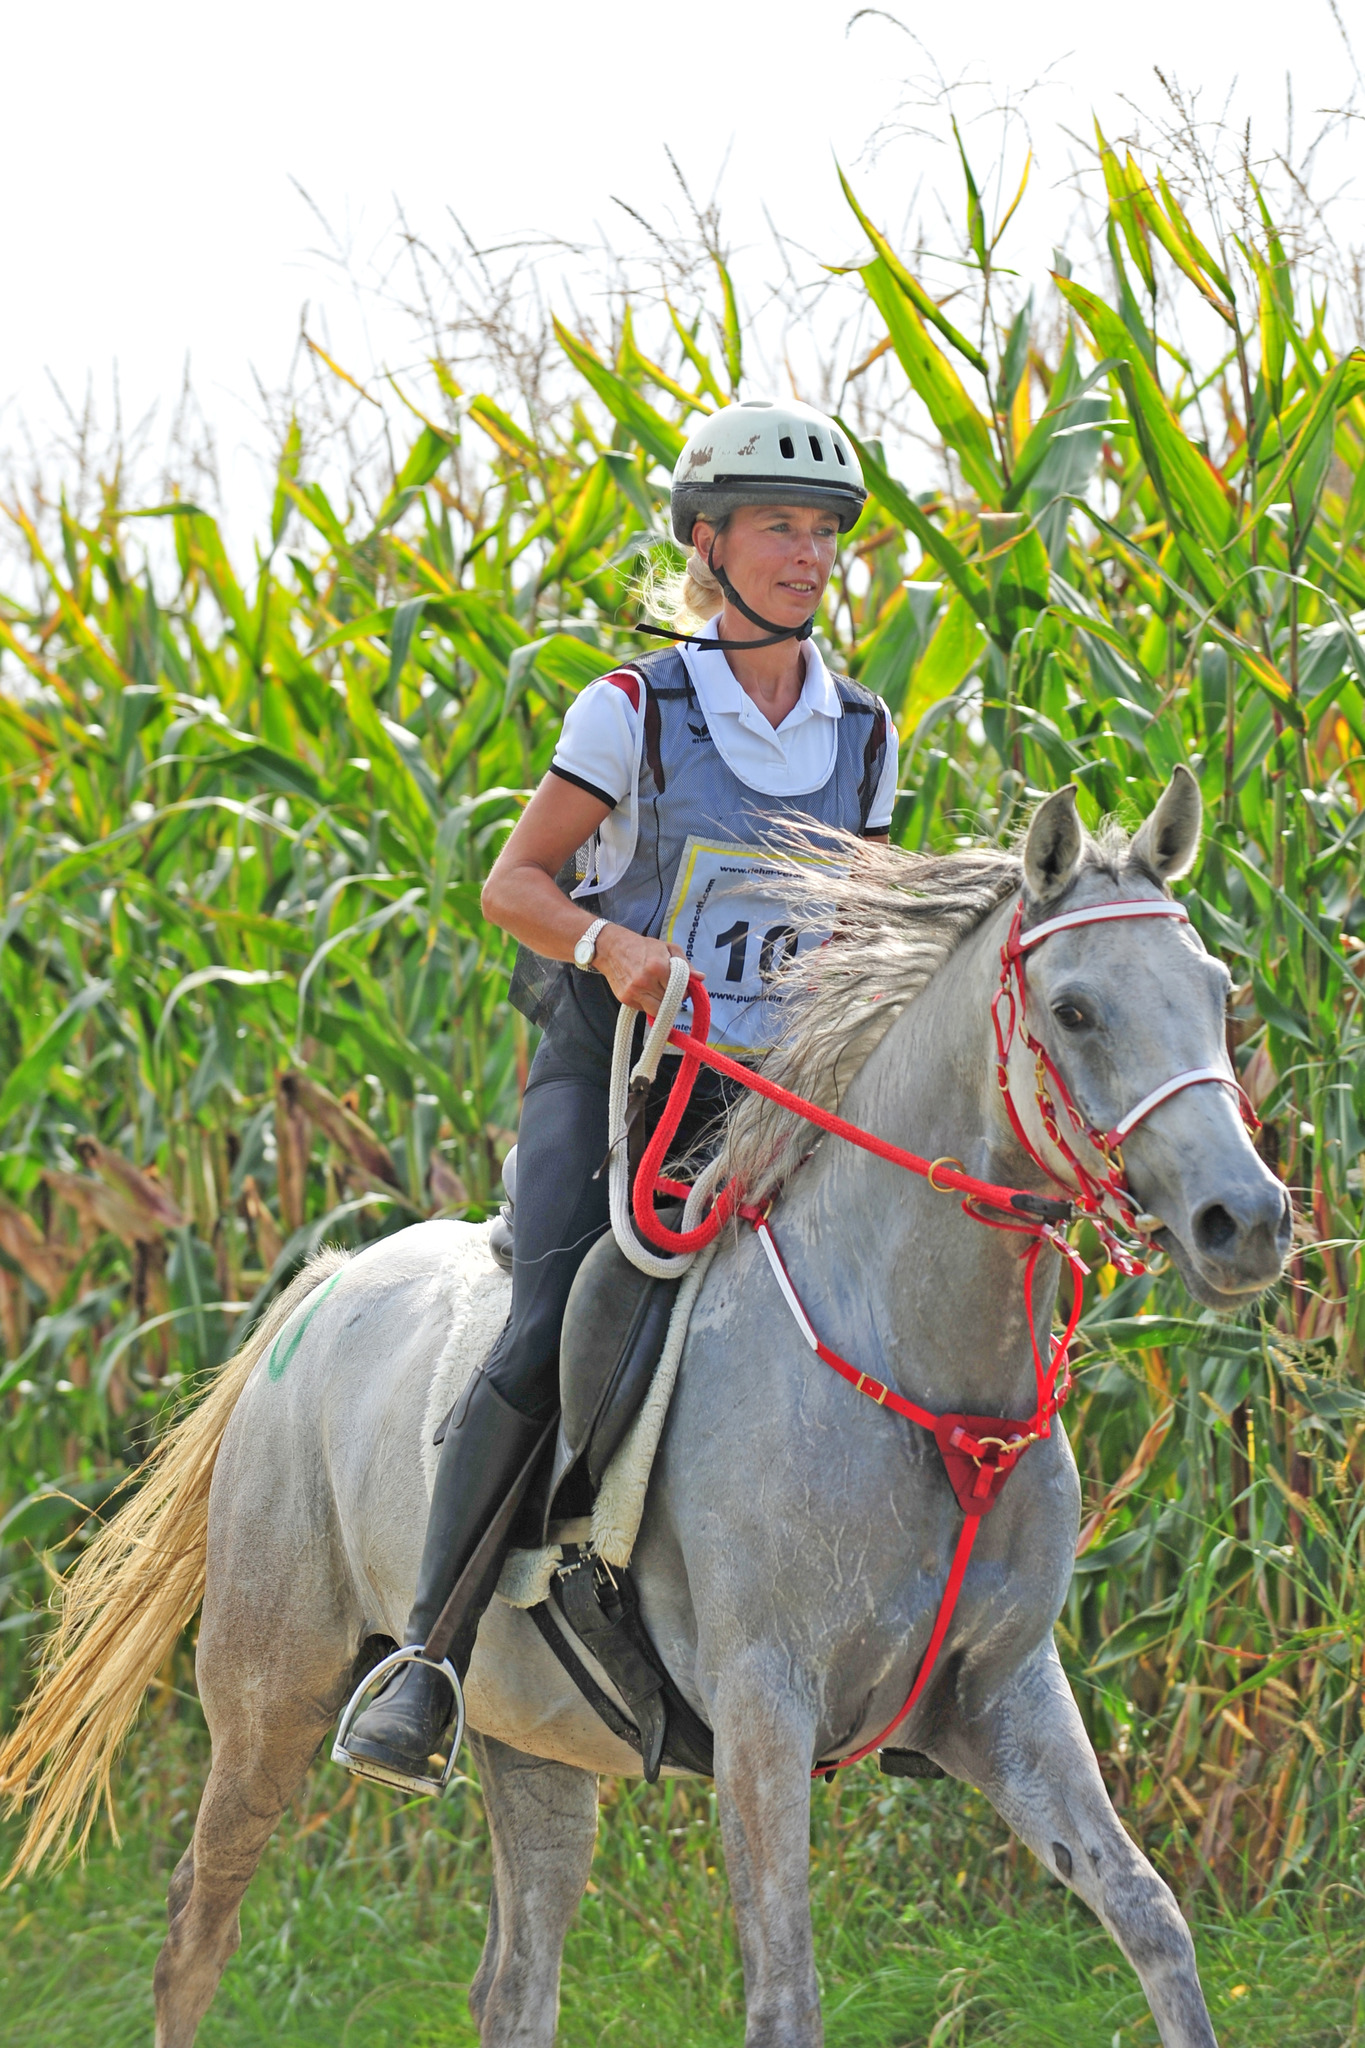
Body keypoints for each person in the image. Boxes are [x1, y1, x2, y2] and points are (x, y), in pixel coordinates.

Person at [344, 397, 899, 1778]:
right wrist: (617, 949)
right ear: (708, 544)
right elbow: (513, 885)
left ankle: (913, 1660)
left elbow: (867, 922)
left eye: (823, 531)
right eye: (779, 527)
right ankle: (426, 1659)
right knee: (551, 1320)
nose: (809, 554)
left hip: (777, 1090)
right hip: (618, 1072)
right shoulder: (633, 709)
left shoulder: (863, 729)